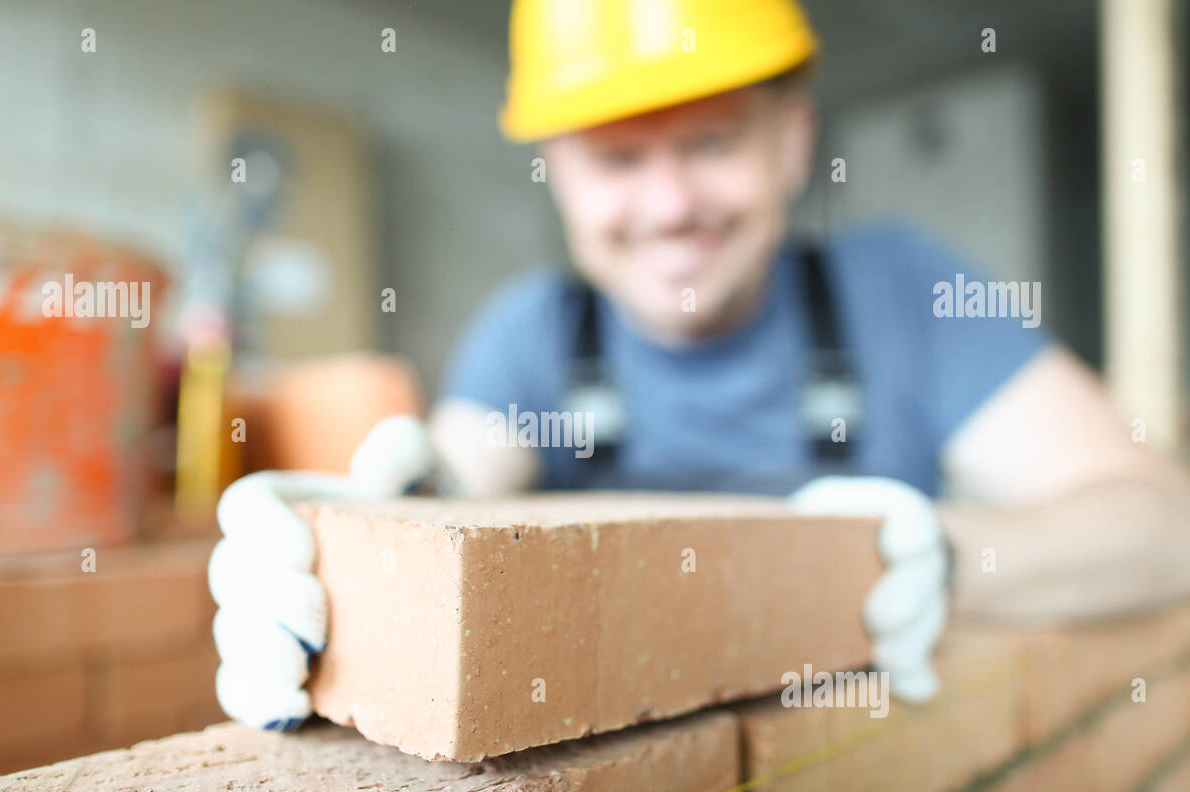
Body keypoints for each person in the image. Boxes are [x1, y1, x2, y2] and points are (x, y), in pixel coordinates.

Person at [208, 0, 1190, 731]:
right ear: (561, 177)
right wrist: (353, 549)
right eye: (619, 161)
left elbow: (1162, 527)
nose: (671, 204)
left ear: (791, 142)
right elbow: (455, 481)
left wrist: (942, 558)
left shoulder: (906, 290)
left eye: (711, 141)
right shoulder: (534, 332)